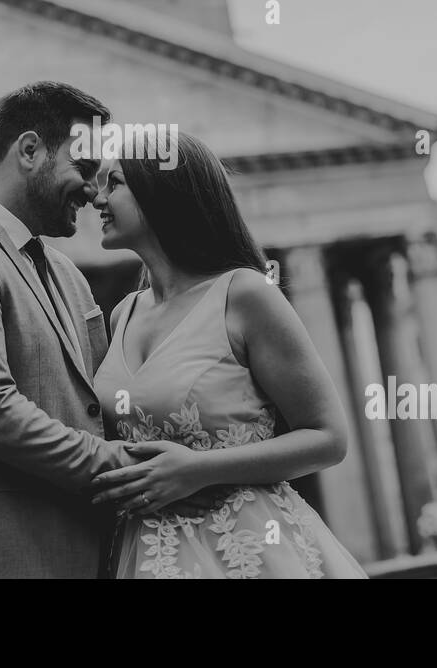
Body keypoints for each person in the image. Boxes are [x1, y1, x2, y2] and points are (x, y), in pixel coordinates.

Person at [0, 82, 221, 578]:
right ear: (30, 151)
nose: (94, 191)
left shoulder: (67, 273)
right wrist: (125, 466)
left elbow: (104, 398)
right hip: (8, 560)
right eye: (84, 168)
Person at [88, 131, 369, 578]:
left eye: (114, 183)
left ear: (163, 190)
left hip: (247, 547)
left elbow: (328, 438)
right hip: (144, 551)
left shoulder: (245, 294)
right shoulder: (123, 313)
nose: (96, 198)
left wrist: (200, 469)